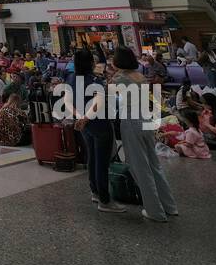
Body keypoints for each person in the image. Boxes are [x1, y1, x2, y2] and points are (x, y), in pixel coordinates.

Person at [111, 47, 178, 222]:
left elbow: (110, 95)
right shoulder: (140, 76)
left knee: (139, 167)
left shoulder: (120, 78)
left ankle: (155, 211)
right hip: (146, 120)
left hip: (132, 122)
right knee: (154, 164)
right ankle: (170, 206)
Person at [71, 49, 122, 214]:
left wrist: (80, 119)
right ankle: (105, 200)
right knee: (102, 161)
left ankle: (94, 191)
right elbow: (98, 103)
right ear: (90, 63)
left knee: (92, 157)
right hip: (98, 122)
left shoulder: (71, 78)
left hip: (84, 125)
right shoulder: (94, 80)